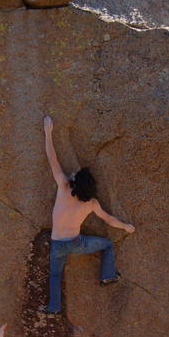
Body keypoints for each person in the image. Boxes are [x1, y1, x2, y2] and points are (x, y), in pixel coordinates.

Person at [43, 116, 135, 313]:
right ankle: (107, 276)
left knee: (55, 276)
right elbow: (108, 219)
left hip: (57, 243)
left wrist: (48, 133)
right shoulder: (91, 204)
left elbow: (53, 159)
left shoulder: (63, 186)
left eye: (75, 175)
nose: (73, 174)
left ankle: (53, 307)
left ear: (76, 182)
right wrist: (126, 226)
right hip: (76, 243)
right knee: (107, 245)